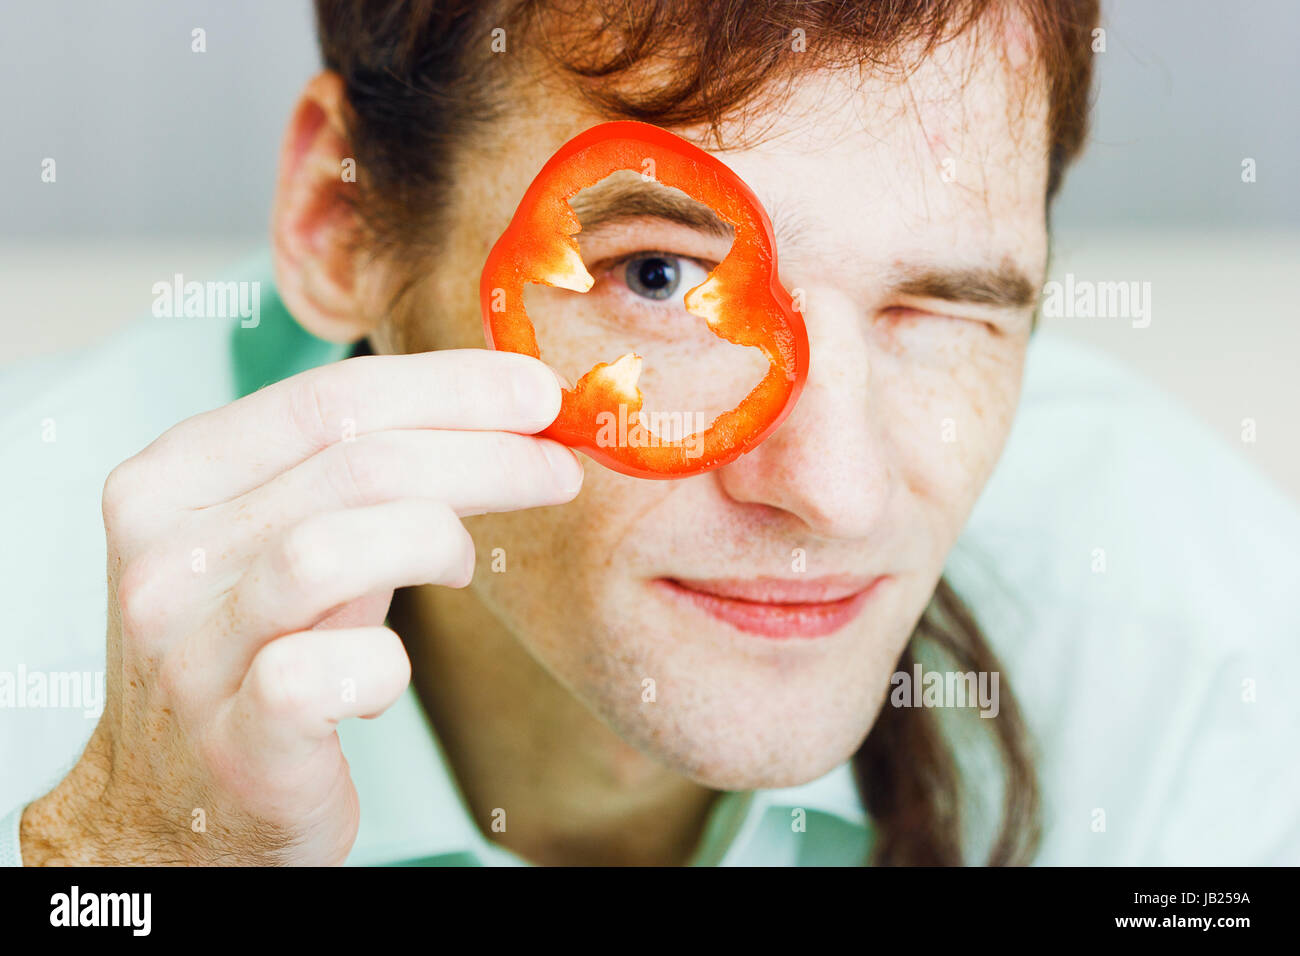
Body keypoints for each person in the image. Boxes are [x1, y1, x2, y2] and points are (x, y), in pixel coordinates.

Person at [4, 0, 1297, 867]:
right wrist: (120, 856)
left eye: (941, 308)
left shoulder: (1200, 652)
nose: (836, 495)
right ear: (340, 224)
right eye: (658, 280)